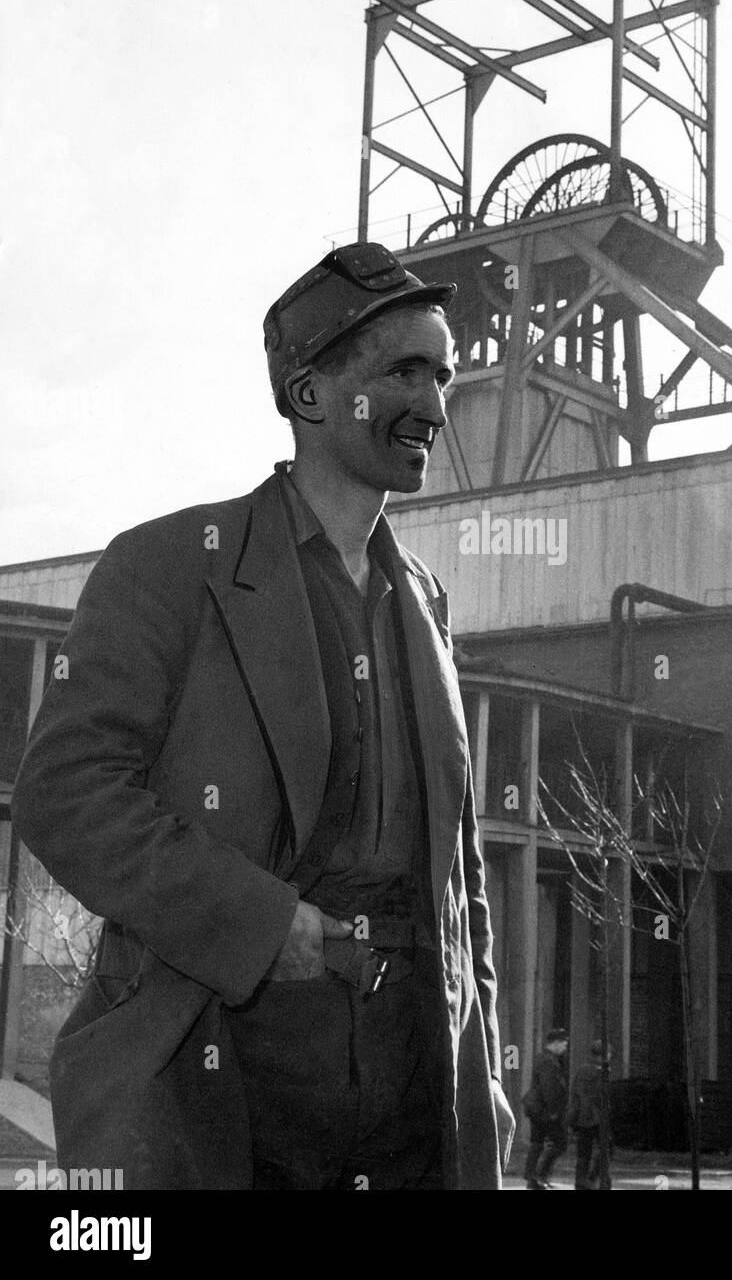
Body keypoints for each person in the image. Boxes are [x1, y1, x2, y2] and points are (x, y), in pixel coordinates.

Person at [11, 241, 516, 1190]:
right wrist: (260, 924)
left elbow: (463, 876)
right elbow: (64, 793)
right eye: (403, 371)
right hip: (221, 1089)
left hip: (415, 1105)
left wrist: (483, 1079)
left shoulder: (428, 606)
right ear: (311, 394)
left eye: (443, 374)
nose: (437, 405)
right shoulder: (164, 567)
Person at [523, 1027, 569, 1189]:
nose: (565, 1047)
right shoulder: (548, 1061)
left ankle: (533, 1178)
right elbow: (549, 1087)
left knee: (537, 1142)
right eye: (564, 1043)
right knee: (560, 1143)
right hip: (545, 1111)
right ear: (555, 1043)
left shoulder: (544, 1058)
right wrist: (554, 1112)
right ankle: (539, 1175)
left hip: (538, 1109)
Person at [566, 1039, 611, 1190]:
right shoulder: (601, 1072)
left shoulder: (582, 1070)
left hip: (580, 1116)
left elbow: (576, 1092)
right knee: (606, 1148)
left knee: (583, 1152)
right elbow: (601, 1095)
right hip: (595, 1116)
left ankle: (580, 1181)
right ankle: (594, 1178)